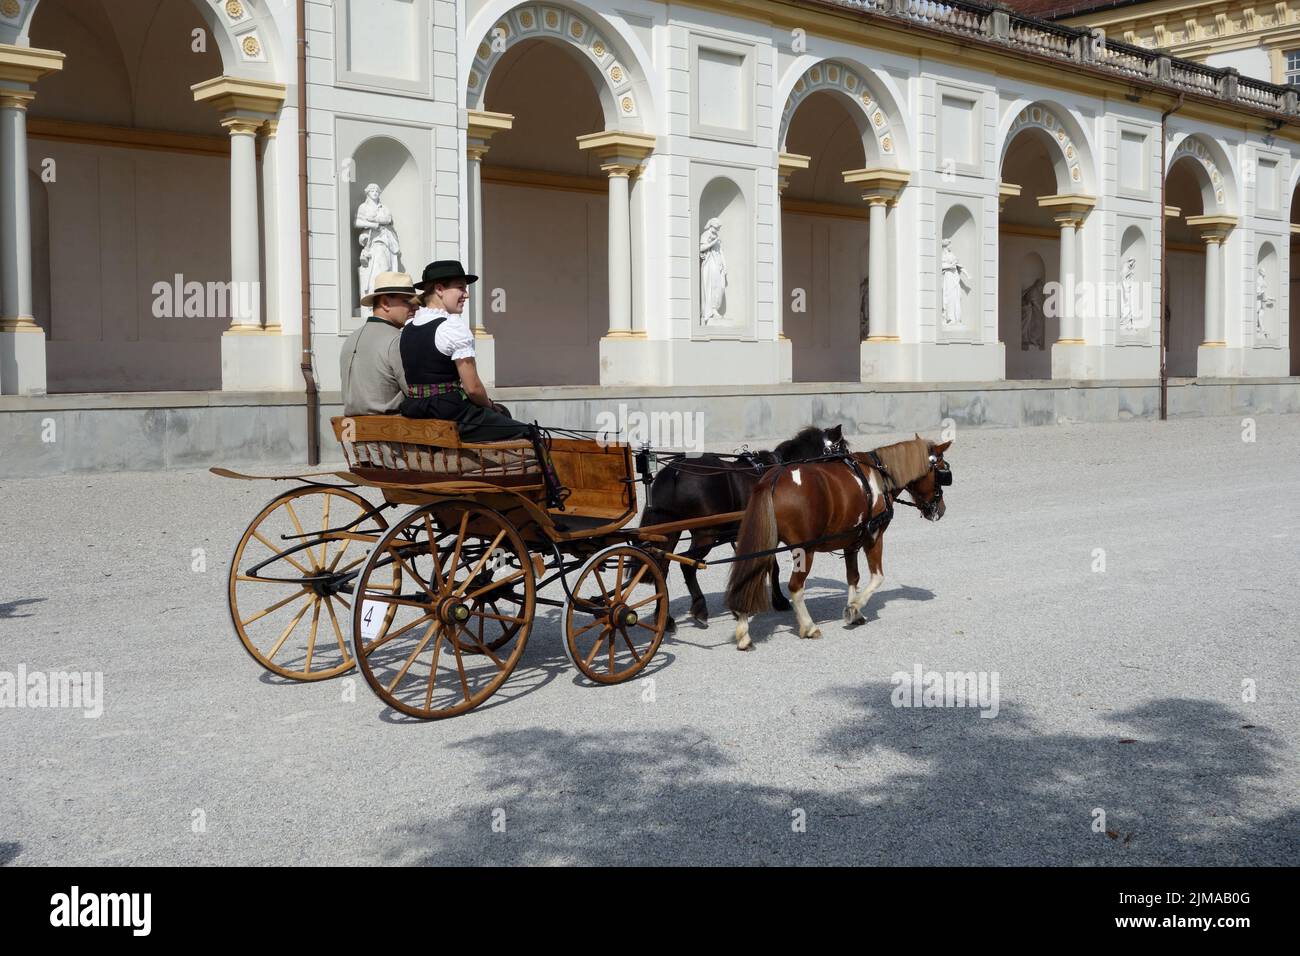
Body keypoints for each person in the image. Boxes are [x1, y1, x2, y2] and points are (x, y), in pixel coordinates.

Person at [400, 260, 568, 507]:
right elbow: (473, 388)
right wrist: (489, 405)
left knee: (501, 420)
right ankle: (554, 496)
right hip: (451, 412)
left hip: (416, 408)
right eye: (460, 287)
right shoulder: (451, 328)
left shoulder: (409, 328)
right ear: (438, 289)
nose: (466, 294)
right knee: (530, 432)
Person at [339, 271, 417, 416]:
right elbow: (414, 392)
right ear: (385, 303)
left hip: (354, 432)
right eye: (408, 301)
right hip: (390, 432)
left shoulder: (350, 339)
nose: (416, 307)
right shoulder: (397, 340)